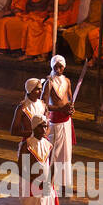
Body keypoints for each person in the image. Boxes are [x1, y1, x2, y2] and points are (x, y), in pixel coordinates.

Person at [42, 56, 74, 196]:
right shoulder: (48, 82)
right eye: (56, 66)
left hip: (66, 121)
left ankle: (64, 183)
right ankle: (50, 182)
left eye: (61, 66)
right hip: (54, 122)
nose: (58, 69)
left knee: (66, 153)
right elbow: (44, 105)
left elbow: (70, 99)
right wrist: (59, 109)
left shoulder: (67, 81)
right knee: (54, 153)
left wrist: (71, 108)